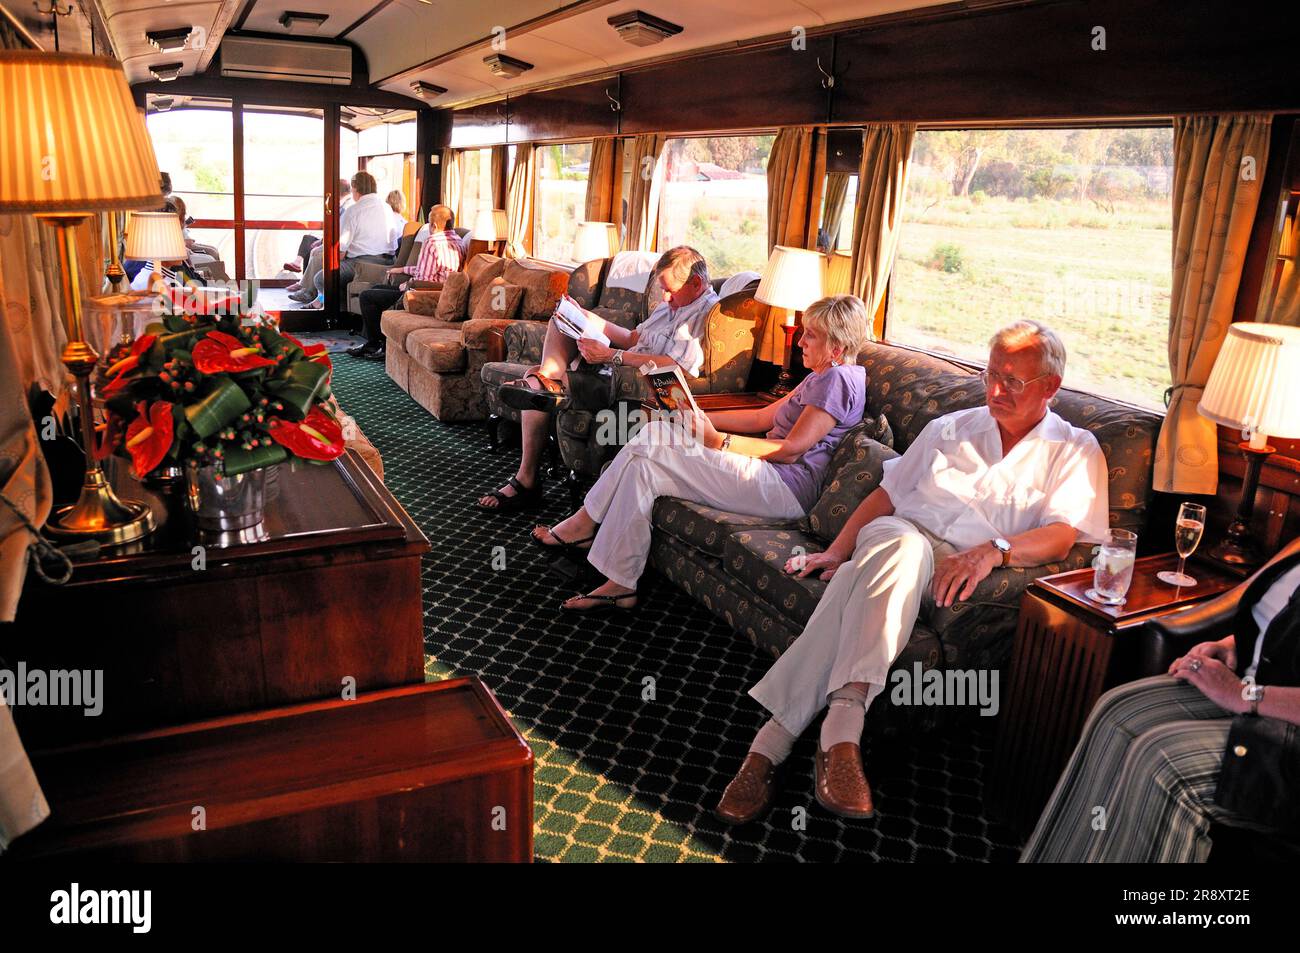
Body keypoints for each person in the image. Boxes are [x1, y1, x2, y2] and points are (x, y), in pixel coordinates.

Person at [713, 319, 1110, 824]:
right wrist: (836, 551)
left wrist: (995, 549)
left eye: (1013, 381)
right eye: (991, 375)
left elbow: (1063, 534)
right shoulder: (950, 428)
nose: (995, 390)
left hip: (957, 573)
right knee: (899, 546)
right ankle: (842, 728)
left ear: (1050, 387)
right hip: (899, 538)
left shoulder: (1074, 450)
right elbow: (887, 495)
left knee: (860, 586)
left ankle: (768, 746)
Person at [530, 294, 871, 613]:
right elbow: (761, 417)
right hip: (770, 476)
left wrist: (717, 439)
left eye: (809, 336)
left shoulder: (837, 380)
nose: (799, 343)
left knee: (652, 438)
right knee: (646, 466)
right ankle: (620, 582)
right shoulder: (823, 375)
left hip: (784, 488)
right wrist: (693, 417)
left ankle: (584, 524)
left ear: (837, 346)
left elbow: (790, 450)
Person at [1021, 541, 1300, 862]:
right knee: (1116, 711)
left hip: (1283, 729)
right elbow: (1279, 617)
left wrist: (1241, 695)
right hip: (1256, 687)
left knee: (1160, 757)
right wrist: (1233, 643)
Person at [476, 246, 718, 512]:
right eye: (663, 289)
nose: (665, 296)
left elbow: (677, 366)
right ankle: (546, 381)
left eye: (671, 290)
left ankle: (527, 477)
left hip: (629, 385)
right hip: (611, 369)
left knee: (535, 380)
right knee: (560, 324)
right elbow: (632, 339)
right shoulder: (672, 306)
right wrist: (585, 316)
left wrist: (611, 356)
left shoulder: (703, 315)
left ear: (696, 283)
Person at [349, 204, 463, 360]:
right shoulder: (458, 241)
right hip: (436, 291)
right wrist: (402, 269)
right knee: (376, 289)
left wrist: (408, 284)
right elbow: (432, 269)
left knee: (367, 297)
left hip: (420, 295)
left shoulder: (433, 242)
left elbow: (424, 279)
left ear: (434, 225)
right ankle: (374, 344)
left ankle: (379, 345)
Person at [291, 171, 397, 307]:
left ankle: (322, 304)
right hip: (389, 262)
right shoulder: (386, 208)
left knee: (320, 278)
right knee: (320, 257)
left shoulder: (353, 211)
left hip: (362, 264)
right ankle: (316, 299)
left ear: (355, 188)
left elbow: (340, 252)